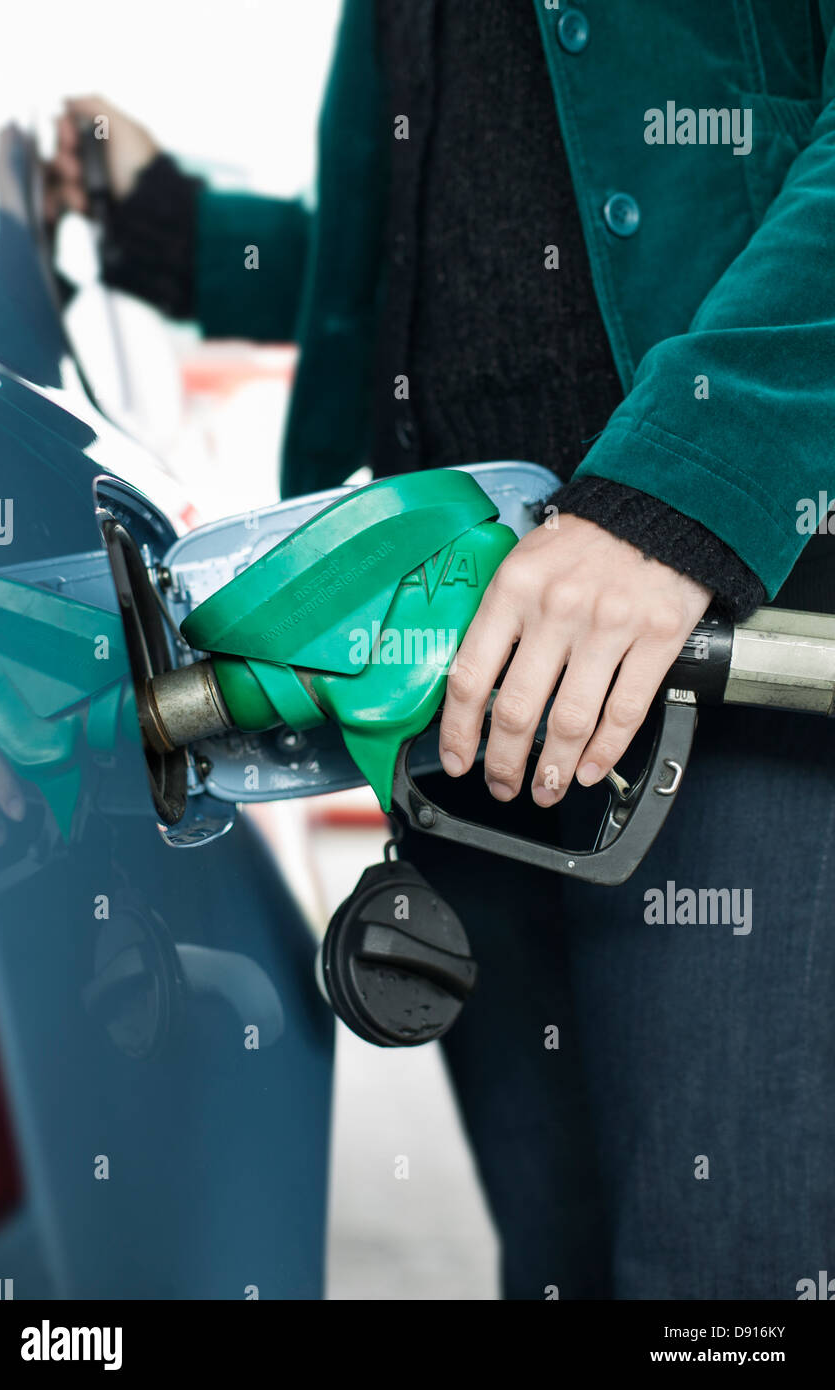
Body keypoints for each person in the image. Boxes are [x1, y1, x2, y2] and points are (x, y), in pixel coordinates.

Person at [51, 1, 835, 1300]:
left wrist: (688, 487)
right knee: (557, 1264)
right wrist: (172, 229)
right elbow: (403, 270)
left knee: (726, 1281)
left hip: (734, 645)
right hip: (459, 694)